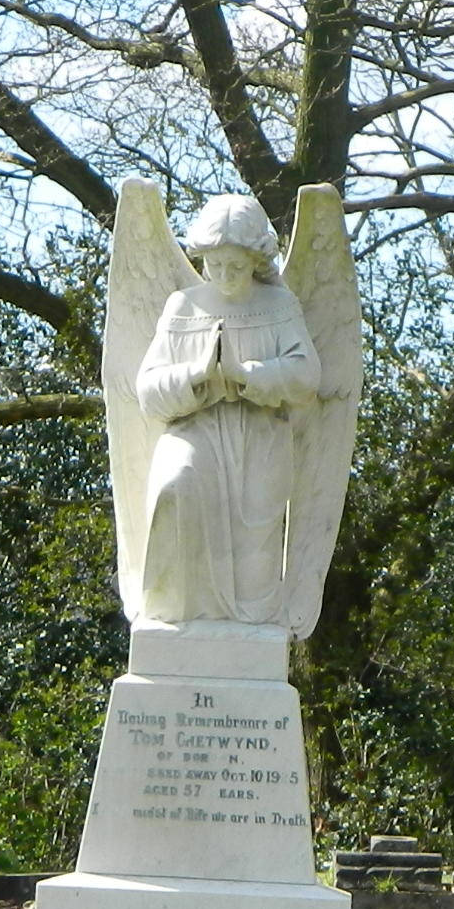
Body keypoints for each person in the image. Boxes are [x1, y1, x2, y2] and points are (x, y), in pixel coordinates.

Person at [134, 197, 322, 627]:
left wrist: (246, 375)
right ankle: (174, 619)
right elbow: (147, 389)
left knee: (253, 582)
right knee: (174, 484)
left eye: (235, 266)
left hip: (259, 442)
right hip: (193, 432)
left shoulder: (277, 306)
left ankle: (241, 638)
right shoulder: (183, 306)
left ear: (255, 260)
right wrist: (196, 377)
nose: (224, 276)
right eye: (215, 265)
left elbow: (307, 376)